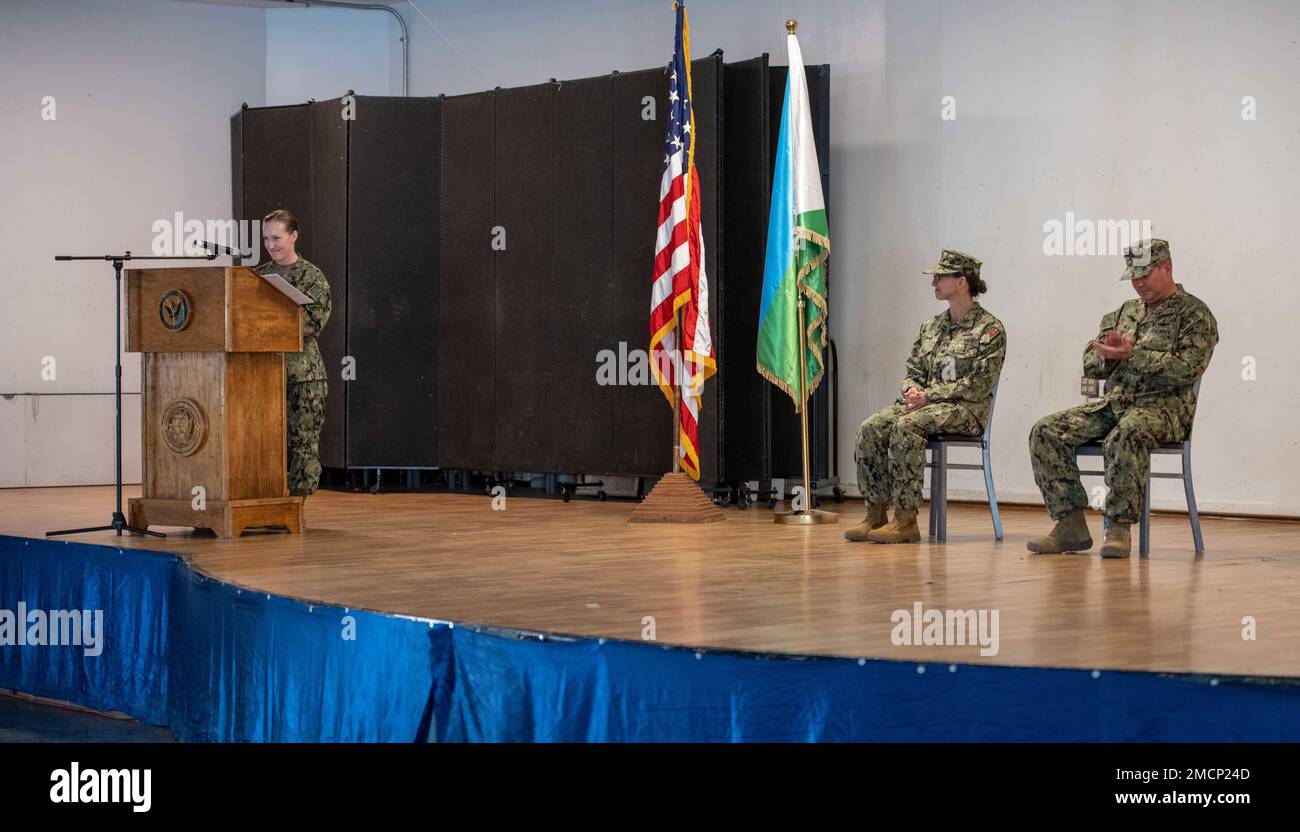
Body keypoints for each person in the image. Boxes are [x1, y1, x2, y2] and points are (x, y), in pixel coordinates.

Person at [1027, 239, 1217, 558]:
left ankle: (1118, 527)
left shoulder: (1195, 315)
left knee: (1125, 434)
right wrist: (1108, 355)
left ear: (1167, 267)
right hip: (1114, 405)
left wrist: (1133, 354)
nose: (1139, 282)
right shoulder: (1122, 313)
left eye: (1145, 274)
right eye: (1134, 276)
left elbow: (1186, 369)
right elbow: (1090, 364)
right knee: (1045, 431)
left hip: (1164, 411)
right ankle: (1070, 525)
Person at [846, 249, 1007, 544]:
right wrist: (911, 390)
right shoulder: (931, 327)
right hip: (926, 405)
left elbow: (978, 385)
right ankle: (875, 513)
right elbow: (913, 370)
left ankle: (906, 520)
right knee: (871, 428)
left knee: (907, 426)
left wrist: (928, 395)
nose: (933, 281)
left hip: (965, 410)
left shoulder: (990, 330)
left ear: (961, 282)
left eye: (940, 276)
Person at [256, 209, 332, 498]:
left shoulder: (312, 277)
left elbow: (314, 322)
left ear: (293, 236)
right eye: (266, 239)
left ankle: (295, 506)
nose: (271, 245)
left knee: (302, 442)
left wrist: (272, 319)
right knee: (266, 442)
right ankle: (267, 501)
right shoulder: (258, 276)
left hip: (302, 376)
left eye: (276, 237)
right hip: (262, 373)